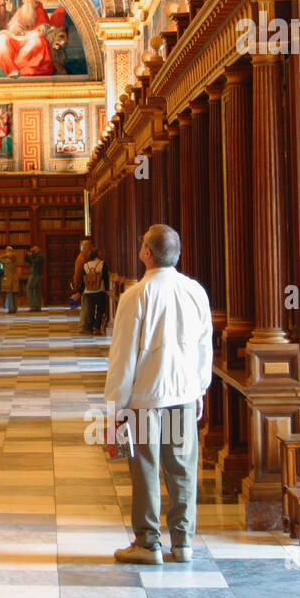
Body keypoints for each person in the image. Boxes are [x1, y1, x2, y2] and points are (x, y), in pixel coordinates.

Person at [105, 225, 213, 565]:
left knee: (146, 470)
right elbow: (203, 346)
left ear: (146, 254)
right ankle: (182, 543)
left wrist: (113, 407)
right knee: (181, 469)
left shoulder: (136, 296)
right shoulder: (195, 292)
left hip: (144, 400)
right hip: (182, 395)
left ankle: (148, 543)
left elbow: (123, 357)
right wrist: (199, 389)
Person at [80, 247, 109, 334]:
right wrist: (107, 288)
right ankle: (97, 327)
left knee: (90, 310)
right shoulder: (102, 264)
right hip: (100, 290)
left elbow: (83, 280)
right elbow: (105, 277)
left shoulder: (86, 265)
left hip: (88, 291)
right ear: (97, 255)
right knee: (100, 309)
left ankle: (90, 327)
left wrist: (81, 291)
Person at [71, 237, 94, 312]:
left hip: (85, 283)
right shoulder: (82, 258)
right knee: (85, 303)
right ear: (84, 248)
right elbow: (78, 272)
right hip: (83, 283)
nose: (91, 248)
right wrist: (77, 284)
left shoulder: (84, 257)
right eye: (89, 247)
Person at [0, 246, 19, 313]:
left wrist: (6, 254)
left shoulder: (7, 261)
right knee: (15, 294)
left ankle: (11, 309)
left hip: (8, 278)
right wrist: (11, 253)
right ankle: (15, 308)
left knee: (9, 294)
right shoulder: (15, 259)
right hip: (15, 278)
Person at [25, 245, 45, 311]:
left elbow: (34, 262)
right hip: (34, 273)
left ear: (38, 248)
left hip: (35, 274)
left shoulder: (40, 255)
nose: (33, 250)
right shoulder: (36, 255)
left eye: (35, 249)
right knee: (36, 289)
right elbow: (27, 260)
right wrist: (28, 254)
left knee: (29, 288)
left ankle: (33, 306)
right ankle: (37, 306)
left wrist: (31, 256)